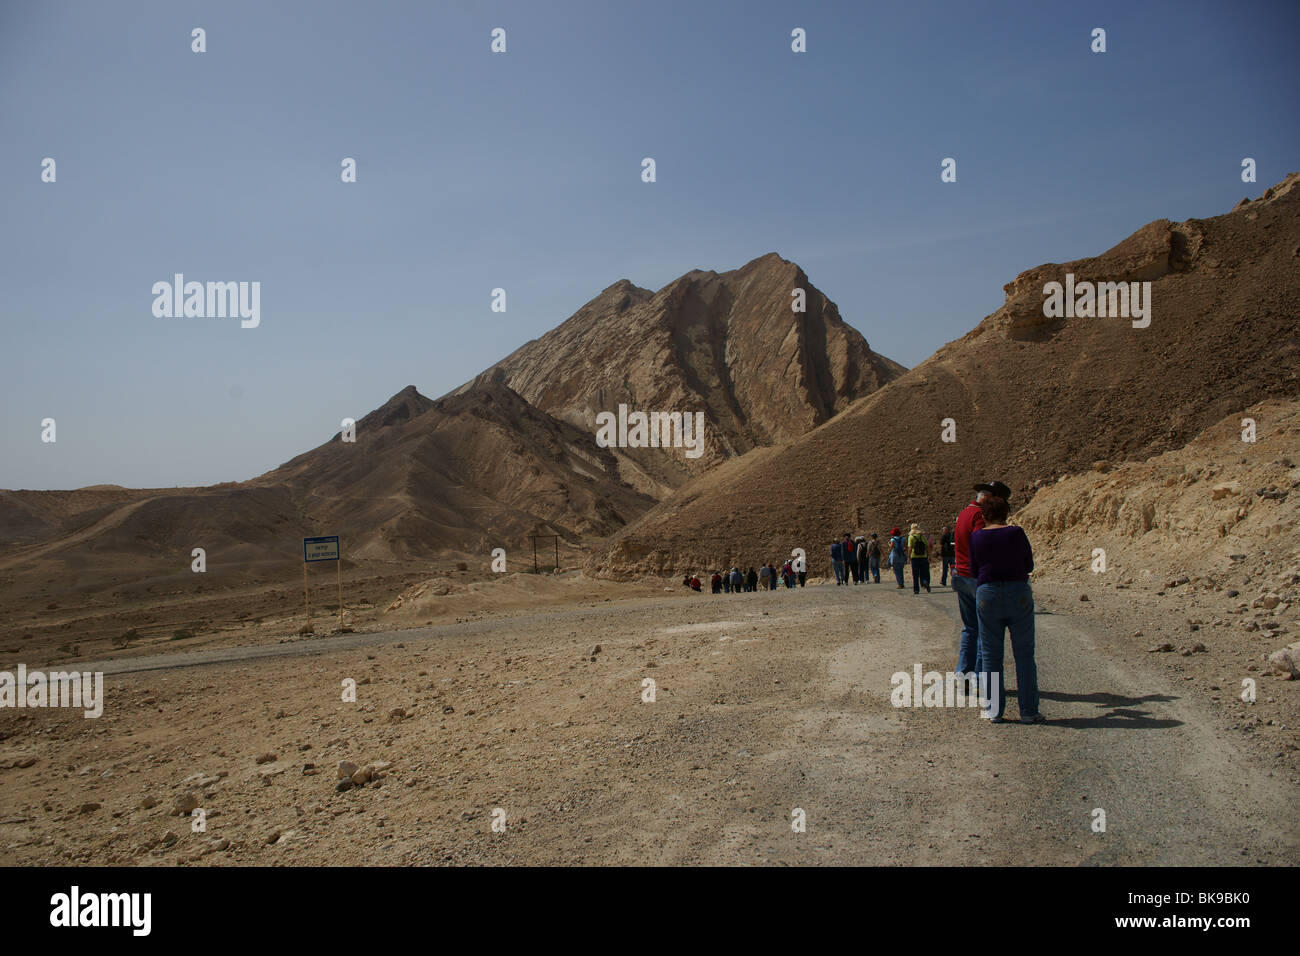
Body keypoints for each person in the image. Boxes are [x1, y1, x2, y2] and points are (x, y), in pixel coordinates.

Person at [970, 494, 1042, 724]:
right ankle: (1028, 711)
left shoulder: (976, 537)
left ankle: (994, 711)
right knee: (1024, 654)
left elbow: (974, 569)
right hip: (1017, 592)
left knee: (991, 655)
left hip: (987, 594)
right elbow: (1029, 564)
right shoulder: (1016, 533)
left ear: (984, 515)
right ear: (1005, 513)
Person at [954, 481, 1005, 678]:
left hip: (961, 574)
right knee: (986, 629)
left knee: (970, 627)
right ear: (987, 499)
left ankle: (963, 672)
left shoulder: (963, 513)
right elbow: (981, 543)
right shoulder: (978, 516)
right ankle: (979, 676)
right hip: (976, 577)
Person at [907, 523, 931, 594]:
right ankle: (925, 582)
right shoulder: (922, 537)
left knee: (915, 574)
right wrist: (929, 555)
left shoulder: (911, 537)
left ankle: (916, 589)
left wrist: (908, 557)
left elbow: (910, 548)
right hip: (923, 557)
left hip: (914, 557)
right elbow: (927, 546)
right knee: (923, 573)